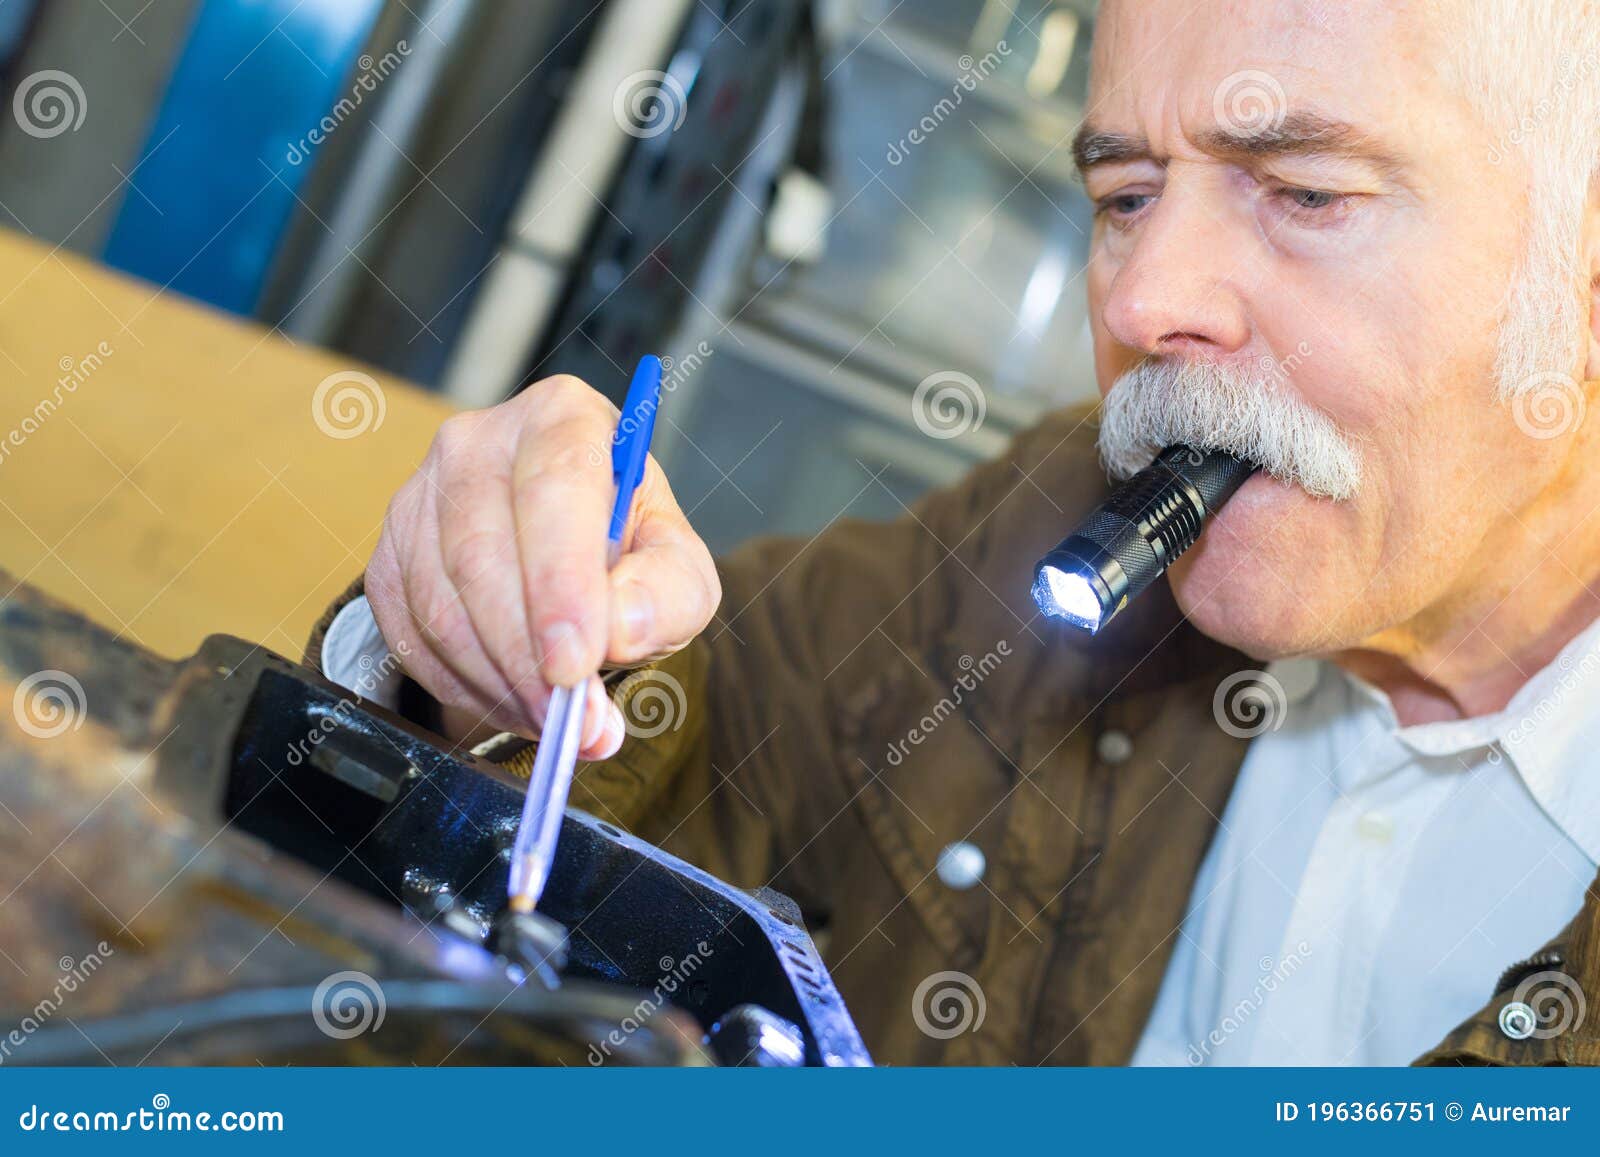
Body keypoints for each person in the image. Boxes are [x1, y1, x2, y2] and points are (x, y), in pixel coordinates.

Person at [310, 0, 1600, 1065]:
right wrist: (465, 638)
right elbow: (692, 726)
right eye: (1128, 197)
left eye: (1307, 193)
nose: (1145, 302)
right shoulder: (1063, 523)